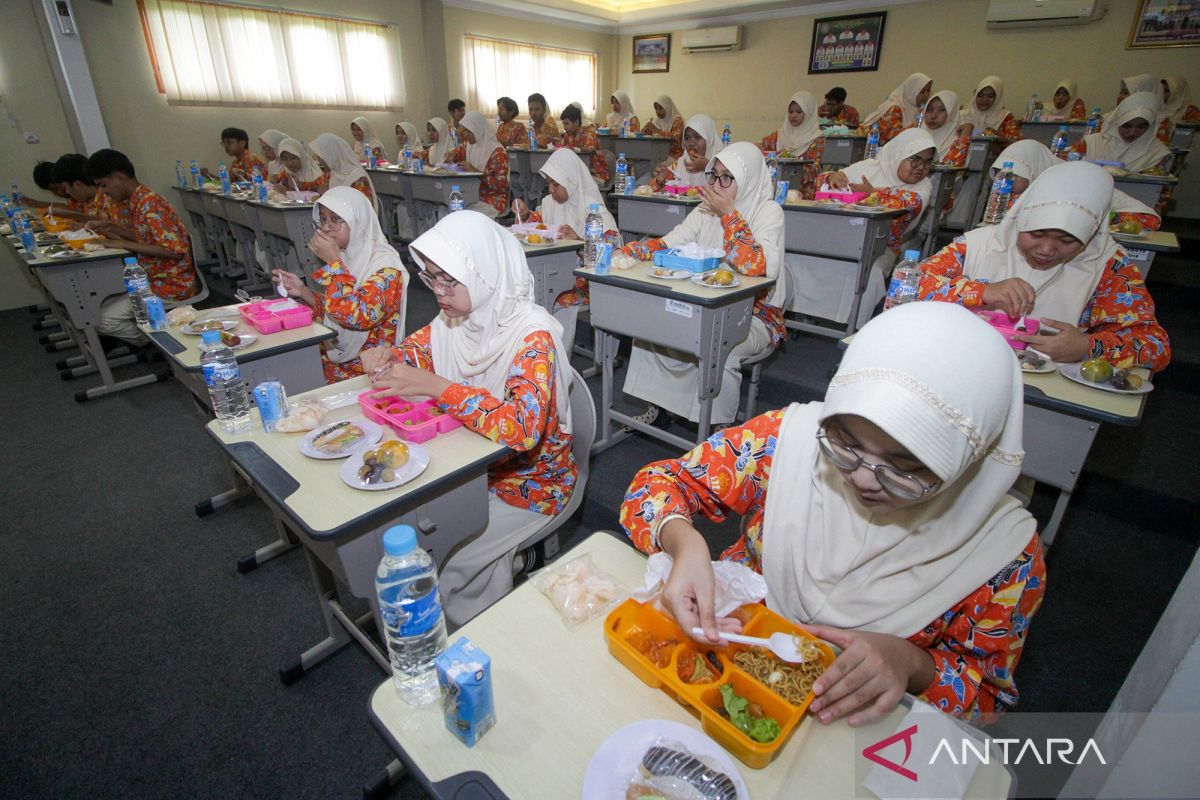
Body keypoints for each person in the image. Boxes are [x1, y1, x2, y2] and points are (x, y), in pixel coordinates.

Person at [621, 301, 1046, 724]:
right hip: (724, 647)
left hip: (854, 717)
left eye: (906, 469)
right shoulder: (791, 439)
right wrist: (686, 543)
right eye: (845, 444)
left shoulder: (1004, 553)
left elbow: (987, 701)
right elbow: (657, 484)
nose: (862, 479)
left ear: (967, 461)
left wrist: (912, 664)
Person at [360, 211, 576, 626]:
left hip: (528, 483)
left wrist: (439, 387)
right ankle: (510, 564)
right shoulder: (454, 319)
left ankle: (475, 630)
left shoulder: (533, 336)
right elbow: (413, 356)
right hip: (470, 466)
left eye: (448, 280)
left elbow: (521, 429)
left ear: (484, 274)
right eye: (430, 278)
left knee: (450, 559)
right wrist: (386, 357)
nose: (437, 291)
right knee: (420, 532)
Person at [918, 161, 1170, 373]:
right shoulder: (980, 244)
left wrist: (1086, 346)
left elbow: (1155, 346)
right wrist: (980, 291)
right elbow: (909, 283)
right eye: (1036, 234)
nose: (1047, 250)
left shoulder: (1107, 267)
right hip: (957, 369)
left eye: (1068, 240)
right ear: (1020, 219)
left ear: (1091, 235)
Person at [620, 142, 788, 427]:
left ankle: (719, 427)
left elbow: (756, 267)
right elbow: (668, 243)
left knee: (722, 347)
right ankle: (657, 406)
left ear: (746, 180)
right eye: (714, 175)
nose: (717, 184)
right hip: (699, 301)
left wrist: (728, 215)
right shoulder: (704, 210)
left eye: (727, 177)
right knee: (649, 329)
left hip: (754, 313)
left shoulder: (769, 212)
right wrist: (627, 252)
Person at [273, 187, 407, 383]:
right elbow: (333, 310)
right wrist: (304, 291)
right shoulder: (347, 255)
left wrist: (334, 263)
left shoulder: (386, 268)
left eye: (336, 219)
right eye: (323, 219)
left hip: (369, 371)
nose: (326, 227)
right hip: (338, 360)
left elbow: (354, 316)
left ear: (358, 221)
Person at [817, 128, 935, 327]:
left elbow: (910, 203)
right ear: (899, 154)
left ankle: (855, 327)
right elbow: (824, 180)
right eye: (915, 159)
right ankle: (814, 312)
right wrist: (832, 177)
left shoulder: (923, 186)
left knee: (870, 274)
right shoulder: (871, 167)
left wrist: (874, 194)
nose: (921, 168)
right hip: (842, 239)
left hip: (881, 248)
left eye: (927, 162)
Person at [86, 148, 198, 346]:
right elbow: (149, 240)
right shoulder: (138, 201)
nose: (103, 192)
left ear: (119, 177)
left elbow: (175, 250)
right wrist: (114, 229)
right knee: (99, 306)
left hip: (170, 285)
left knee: (103, 320)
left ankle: (163, 345)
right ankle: (160, 340)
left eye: (104, 185)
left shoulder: (150, 203)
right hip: (154, 279)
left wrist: (121, 243)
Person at [511, 148, 619, 347]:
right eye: (549, 184)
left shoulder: (595, 212)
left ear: (571, 181)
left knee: (558, 298)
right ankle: (529, 350)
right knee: (519, 289)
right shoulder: (551, 204)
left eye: (556, 184)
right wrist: (525, 214)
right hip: (552, 270)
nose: (551, 190)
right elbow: (537, 226)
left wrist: (579, 240)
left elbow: (610, 256)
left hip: (583, 280)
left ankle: (556, 357)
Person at [990, 139, 1160, 231]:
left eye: (1013, 176)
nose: (1003, 181)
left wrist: (1110, 218)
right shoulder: (1015, 192)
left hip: (1133, 218)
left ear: (1034, 171)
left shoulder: (1069, 181)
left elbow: (1149, 219)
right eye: (999, 173)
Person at [1070, 92, 1174, 175]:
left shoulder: (1157, 153)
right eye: (1127, 126)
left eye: (1141, 127)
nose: (1133, 132)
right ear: (1117, 123)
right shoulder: (1091, 143)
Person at [757, 91, 825, 199]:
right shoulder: (781, 134)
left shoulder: (816, 138)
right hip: (776, 186)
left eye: (799, 112)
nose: (793, 115)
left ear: (808, 113)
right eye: (791, 111)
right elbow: (761, 145)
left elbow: (814, 166)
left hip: (802, 191)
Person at [51, 154, 130, 226]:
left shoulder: (110, 196)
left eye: (66, 187)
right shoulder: (88, 201)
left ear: (77, 184)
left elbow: (116, 229)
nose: (67, 192)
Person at [652, 114, 724, 191]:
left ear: (710, 140)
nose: (691, 143)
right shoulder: (681, 163)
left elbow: (729, 190)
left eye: (697, 137)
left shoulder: (724, 163)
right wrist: (660, 181)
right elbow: (655, 189)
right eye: (687, 138)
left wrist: (708, 166)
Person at [458, 111, 510, 217]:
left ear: (478, 129)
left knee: (463, 214)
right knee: (447, 209)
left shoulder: (497, 151)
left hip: (493, 199)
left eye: (469, 131)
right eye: (464, 130)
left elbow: (501, 185)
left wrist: (475, 172)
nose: (466, 134)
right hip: (472, 196)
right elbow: (453, 155)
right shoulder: (469, 146)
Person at [309, 133, 380, 210]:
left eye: (321, 157)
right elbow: (313, 185)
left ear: (332, 155)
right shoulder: (334, 173)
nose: (320, 161)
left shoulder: (358, 178)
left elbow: (361, 211)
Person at [858, 72, 932, 144]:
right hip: (869, 148)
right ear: (911, 91)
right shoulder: (894, 108)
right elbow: (898, 137)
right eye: (922, 92)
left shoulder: (917, 110)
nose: (926, 95)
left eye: (928, 91)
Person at [1106, 74, 1170, 143]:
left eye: (1126, 93)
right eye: (1121, 92)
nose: (1119, 97)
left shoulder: (1158, 124)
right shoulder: (1108, 118)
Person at [559, 103, 610, 186]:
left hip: (595, 174)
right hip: (576, 173)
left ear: (576, 122)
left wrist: (574, 149)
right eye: (563, 124)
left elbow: (590, 149)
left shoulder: (589, 131)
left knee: (569, 183)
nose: (564, 127)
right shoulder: (567, 134)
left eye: (567, 124)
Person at [921, 90, 970, 167]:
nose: (933, 116)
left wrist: (965, 134)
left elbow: (953, 168)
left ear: (951, 113)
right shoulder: (917, 135)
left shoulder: (958, 141)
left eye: (942, 110)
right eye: (930, 109)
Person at [966, 77, 1021, 144]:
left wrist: (997, 134)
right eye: (980, 95)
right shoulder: (964, 115)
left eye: (990, 96)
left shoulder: (1005, 117)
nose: (984, 100)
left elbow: (1018, 141)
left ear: (998, 98)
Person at [201, 127, 267, 182]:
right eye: (224, 143)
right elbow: (228, 183)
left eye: (229, 142)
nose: (226, 146)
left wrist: (244, 175)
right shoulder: (236, 162)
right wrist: (208, 175)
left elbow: (257, 183)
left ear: (242, 143)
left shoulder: (252, 158)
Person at [641, 95, 684, 159]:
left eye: (661, 108)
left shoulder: (677, 120)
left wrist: (657, 131)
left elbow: (675, 139)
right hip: (658, 152)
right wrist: (644, 131)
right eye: (656, 109)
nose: (658, 111)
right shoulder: (657, 121)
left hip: (674, 154)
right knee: (642, 161)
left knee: (656, 165)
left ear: (668, 107)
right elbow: (649, 136)